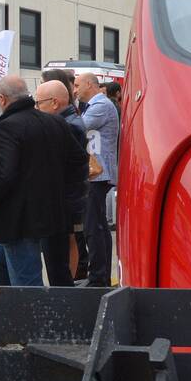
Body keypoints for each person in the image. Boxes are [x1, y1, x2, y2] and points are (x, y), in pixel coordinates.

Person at [0, 76, 86, 289]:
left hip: (20, 218)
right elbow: (79, 160)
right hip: (54, 211)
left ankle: (27, 319)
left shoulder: (7, 127)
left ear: (1, 99)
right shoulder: (56, 121)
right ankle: (2, 312)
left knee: (27, 283)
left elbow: (5, 174)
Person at [34, 80, 88, 287]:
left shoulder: (66, 126)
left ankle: (66, 287)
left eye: (39, 103)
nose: (37, 109)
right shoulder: (70, 121)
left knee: (63, 245)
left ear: (54, 103)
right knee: (68, 240)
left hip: (65, 197)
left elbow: (66, 164)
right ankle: (67, 284)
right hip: (69, 196)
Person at [75, 72, 119, 288]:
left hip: (97, 174)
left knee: (93, 227)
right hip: (97, 173)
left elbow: (77, 127)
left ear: (90, 85)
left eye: (77, 85)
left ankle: (98, 277)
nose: (75, 90)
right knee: (98, 225)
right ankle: (99, 275)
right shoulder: (97, 105)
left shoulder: (100, 105)